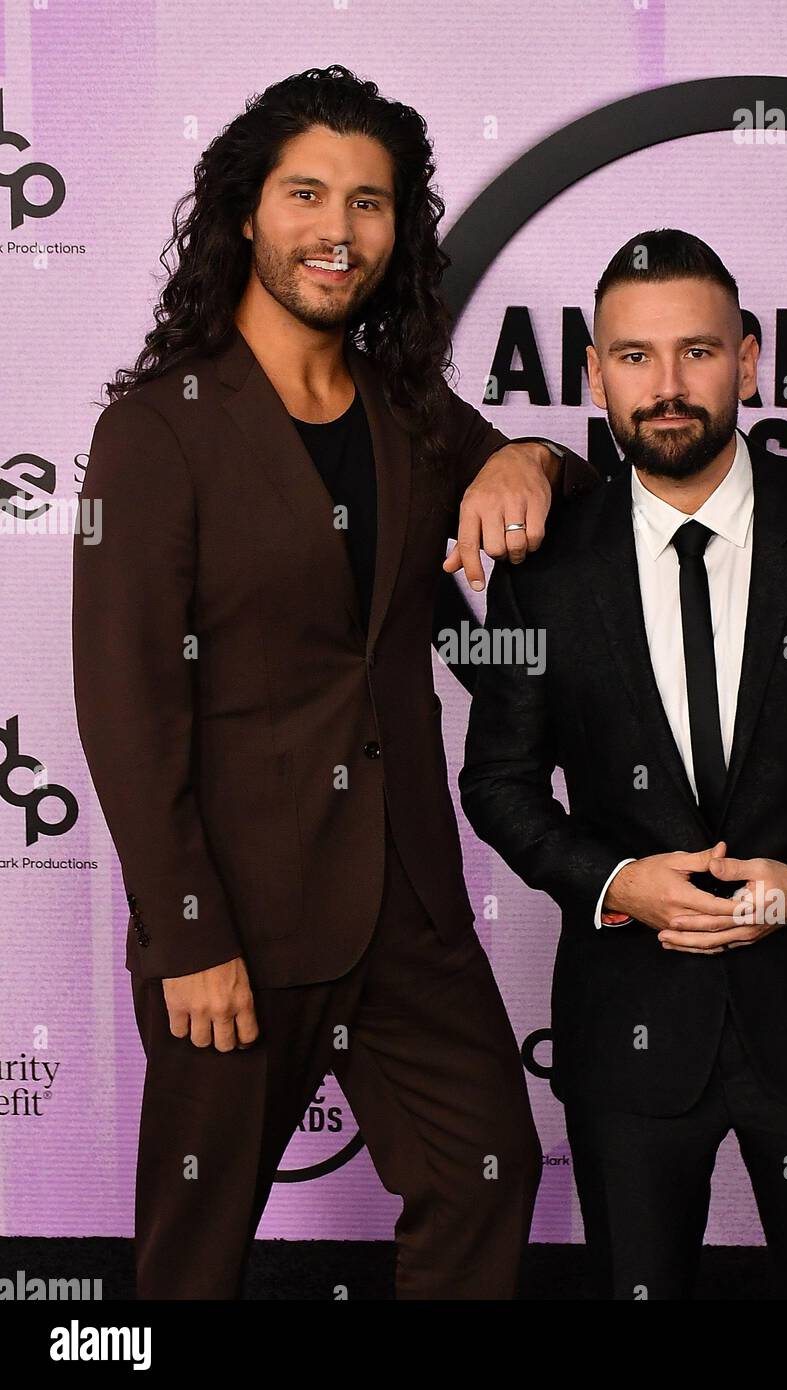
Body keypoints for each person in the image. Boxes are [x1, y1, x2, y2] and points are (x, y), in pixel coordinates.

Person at [72, 65, 596, 1300]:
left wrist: (525, 455)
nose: (339, 229)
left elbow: (549, 473)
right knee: (191, 1258)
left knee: (482, 1173)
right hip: (238, 917)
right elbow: (124, 703)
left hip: (408, 902)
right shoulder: (159, 428)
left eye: (370, 202)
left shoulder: (406, 408)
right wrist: (188, 928)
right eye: (307, 193)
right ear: (245, 214)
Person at [458, 228, 787, 1300]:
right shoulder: (545, 564)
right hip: (625, 1029)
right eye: (635, 357)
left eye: (696, 352)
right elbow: (497, 783)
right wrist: (613, 883)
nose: (667, 386)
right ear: (595, 373)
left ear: (747, 361)